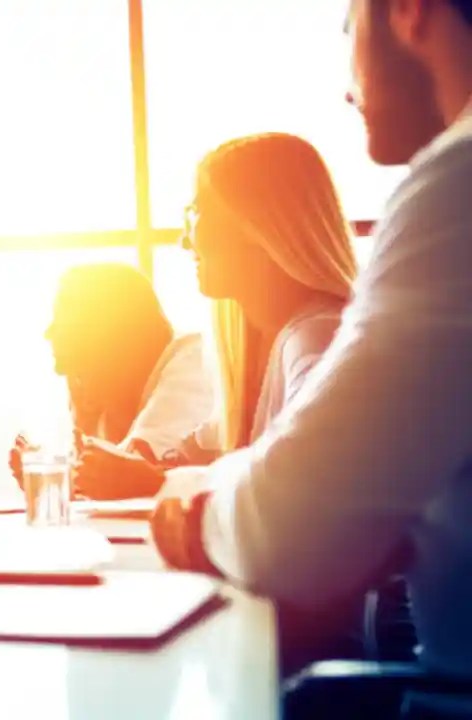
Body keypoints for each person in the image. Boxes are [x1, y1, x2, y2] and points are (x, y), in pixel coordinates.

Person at [151, 0, 472, 681]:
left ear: (408, 11)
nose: (347, 87)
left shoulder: (459, 190)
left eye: (350, 24)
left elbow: (291, 532)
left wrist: (188, 506)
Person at [73, 133, 358, 501]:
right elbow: (200, 459)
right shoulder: (264, 345)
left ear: (256, 222)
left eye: (197, 212)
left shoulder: (316, 336)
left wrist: (156, 483)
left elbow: (306, 483)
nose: (185, 241)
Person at [9, 263, 213, 487]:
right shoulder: (102, 393)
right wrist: (51, 481)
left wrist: (64, 477)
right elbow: (108, 482)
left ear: (107, 325)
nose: (49, 332)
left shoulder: (191, 358)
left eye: (63, 314)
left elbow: (132, 469)